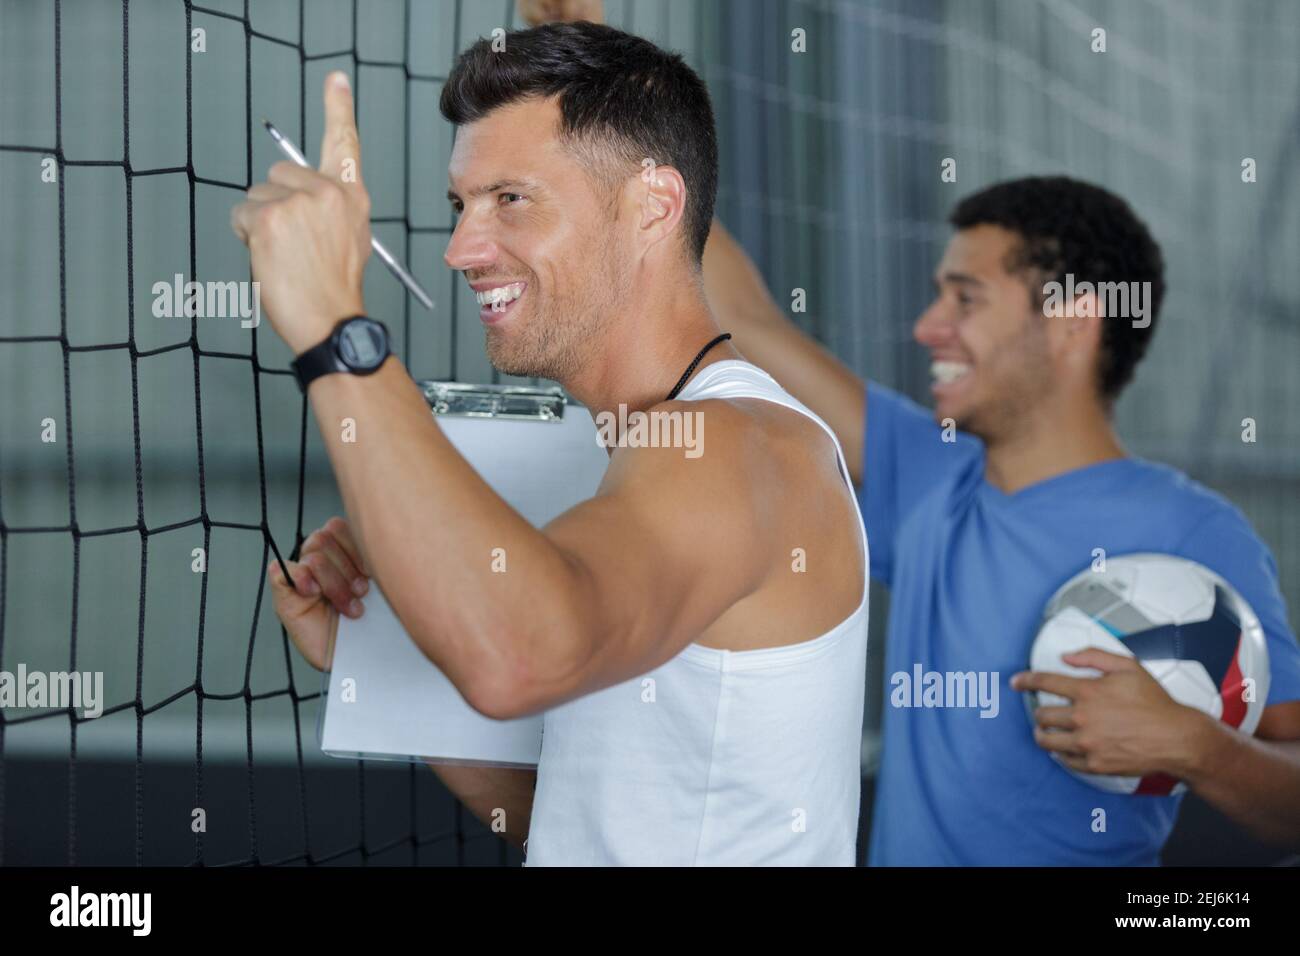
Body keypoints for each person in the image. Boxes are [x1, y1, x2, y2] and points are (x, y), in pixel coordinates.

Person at [230, 23, 869, 865]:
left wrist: (332, 326)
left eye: (511, 199)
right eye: (462, 205)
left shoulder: (730, 446)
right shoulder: (640, 446)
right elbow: (593, 825)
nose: (461, 249)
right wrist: (376, 653)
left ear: (653, 205)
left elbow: (517, 660)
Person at [702, 176, 1300, 864]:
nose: (928, 326)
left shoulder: (1195, 532)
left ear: (1072, 324)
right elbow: (746, 323)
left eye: (966, 297)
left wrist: (1198, 747)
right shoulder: (931, 471)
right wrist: (642, 147)